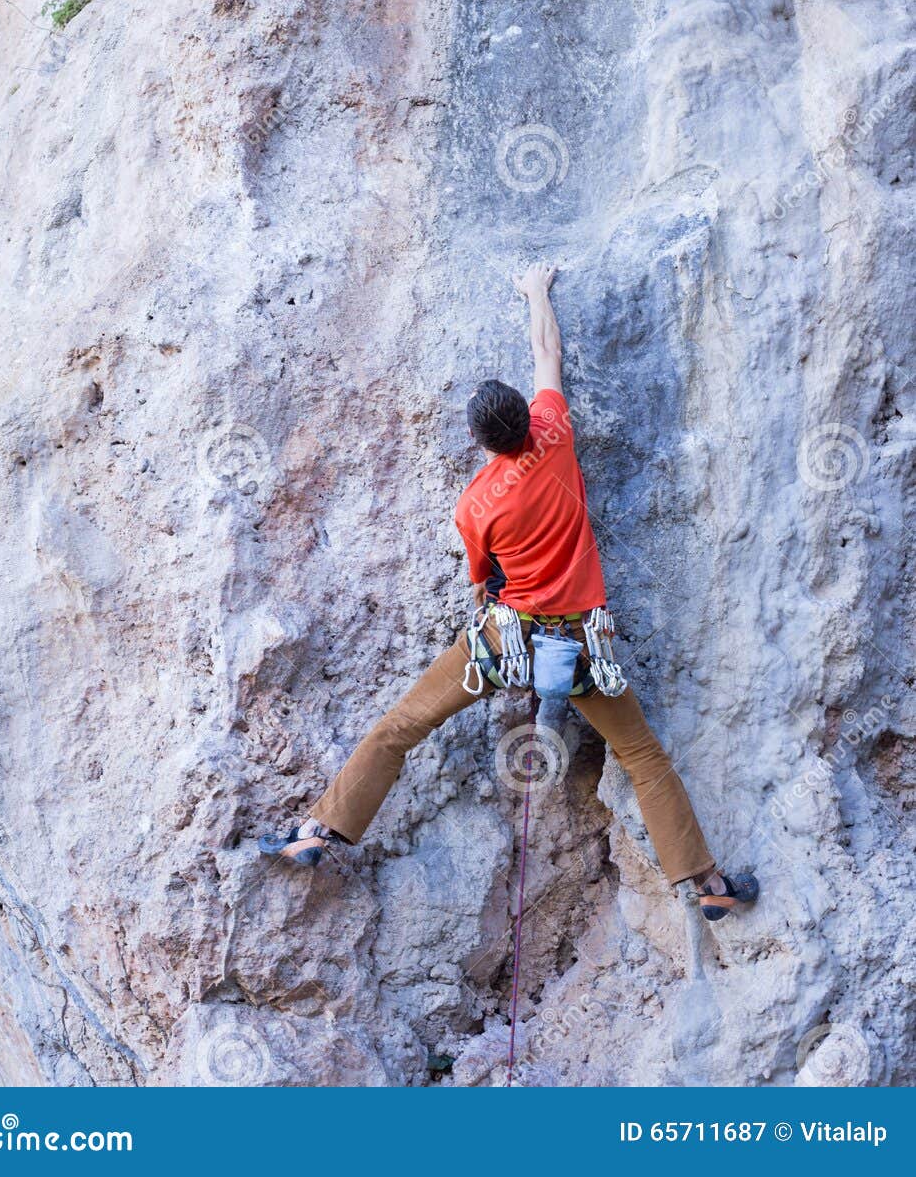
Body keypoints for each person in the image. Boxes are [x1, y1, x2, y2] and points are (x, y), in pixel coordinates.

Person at [260, 262, 758, 922]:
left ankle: (315, 833)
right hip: (580, 646)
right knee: (640, 754)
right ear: (525, 416)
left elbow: (481, 577)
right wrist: (536, 291)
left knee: (399, 728)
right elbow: (546, 352)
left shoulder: (474, 505)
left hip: (504, 638)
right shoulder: (553, 432)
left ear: (479, 440)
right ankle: (707, 884)